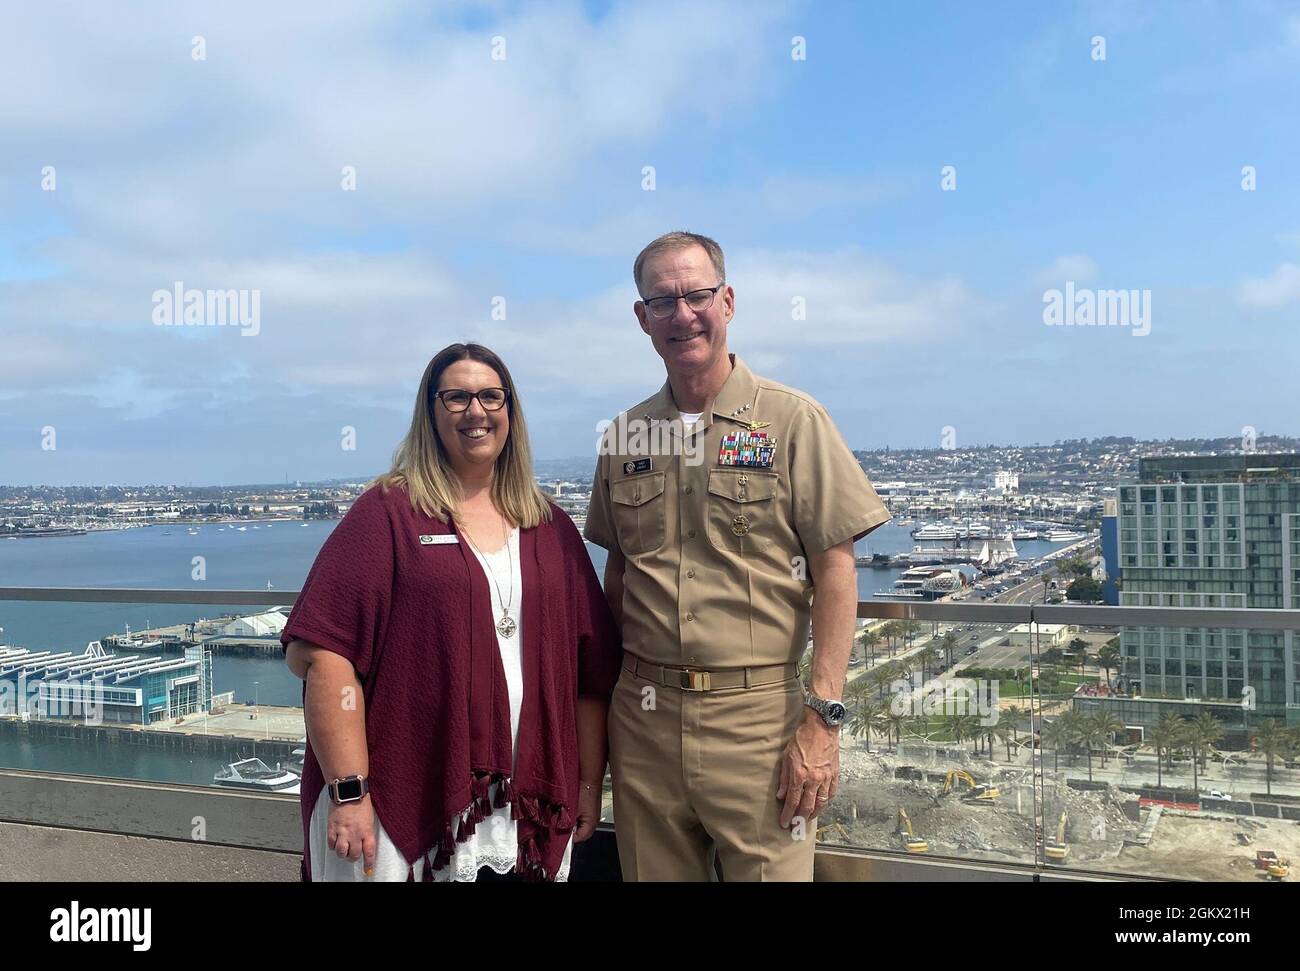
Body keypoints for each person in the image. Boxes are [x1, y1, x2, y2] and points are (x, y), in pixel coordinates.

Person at [585, 231, 891, 881]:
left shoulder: (793, 421)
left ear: (727, 301)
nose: (682, 315)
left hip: (760, 725)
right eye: (662, 302)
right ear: (641, 319)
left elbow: (837, 571)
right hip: (643, 718)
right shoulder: (624, 437)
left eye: (696, 295)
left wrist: (824, 719)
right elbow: (619, 573)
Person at [283, 342, 621, 881]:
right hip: (402, 797)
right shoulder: (388, 513)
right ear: (431, 412)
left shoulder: (551, 528)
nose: (476, 411)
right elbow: (324, 653)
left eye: (491, 396)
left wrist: (584, 784)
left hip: (524, 808)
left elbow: (591, 676)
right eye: (457, 397)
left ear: (510, 410)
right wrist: (349, 793)